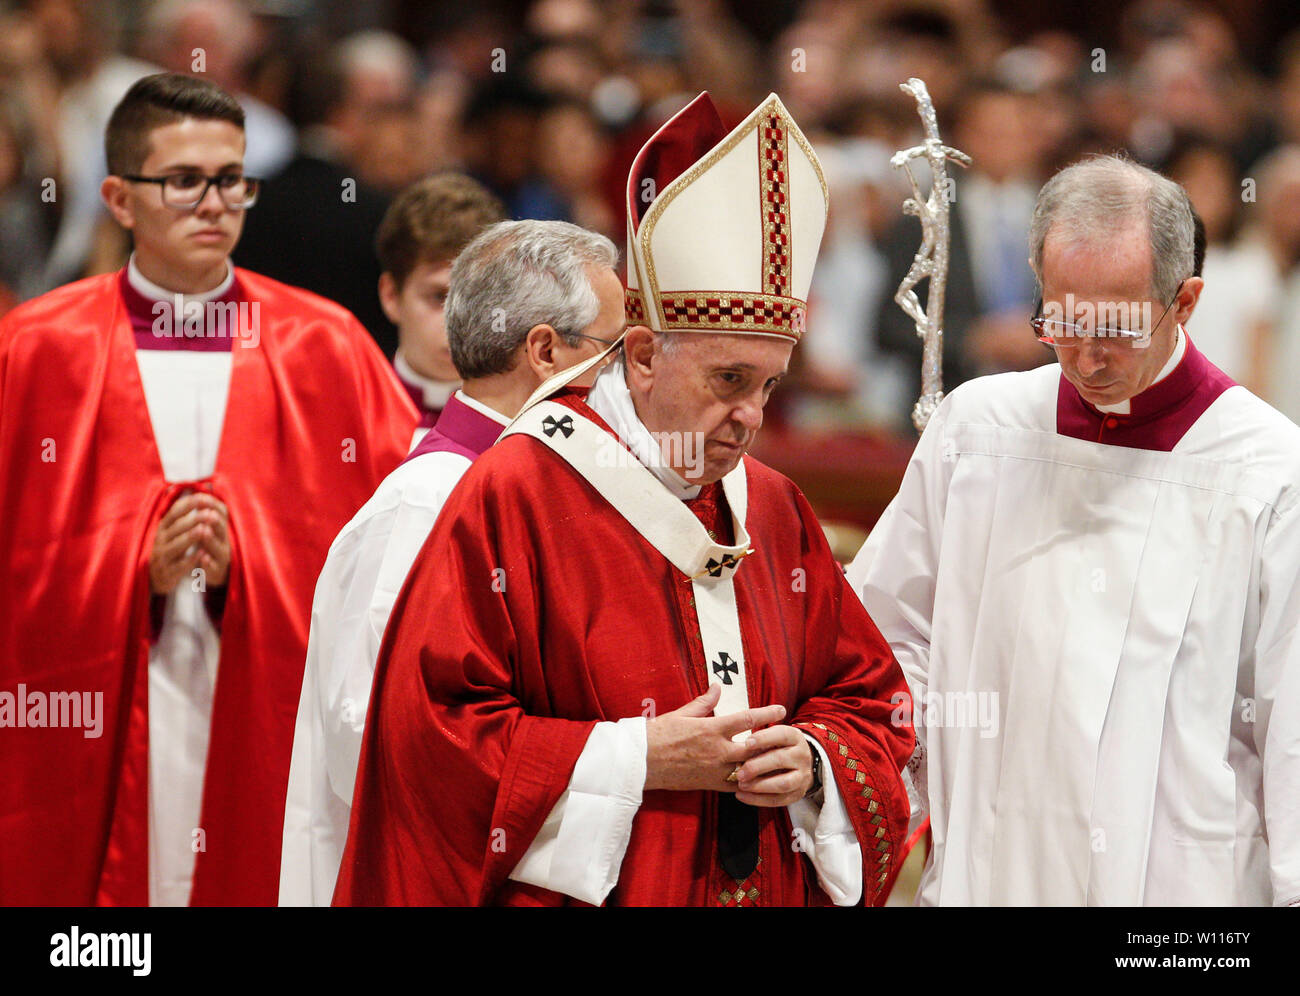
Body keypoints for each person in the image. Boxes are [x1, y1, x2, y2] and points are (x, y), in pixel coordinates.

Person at [333, 92, 914, 908]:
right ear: (640, 355)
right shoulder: (517, 493)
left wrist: (814, 758)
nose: (749, 416)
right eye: (728, 380)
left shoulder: (775, 508)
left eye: (771, 385)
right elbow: (431, 739)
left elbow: (870, 698)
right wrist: (639, 756)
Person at [0, 73, 418, 906]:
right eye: (185, 181)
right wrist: (129, 578)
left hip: (265, 714)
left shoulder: (323, 346)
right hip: (92, 725)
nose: (215, 203)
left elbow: (399, 566)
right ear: (118, 198)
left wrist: (250, 575)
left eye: (232, 179)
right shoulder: (34, 351)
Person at [848, 154, 1300, 906]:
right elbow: (890, 637)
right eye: (1062, 321)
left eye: (1118, 328)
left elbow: (1293, 716)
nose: (1087, 358)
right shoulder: (980, 429)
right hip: (988, 874)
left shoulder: (1267, 470)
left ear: (1183, 301)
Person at [280, 219, 622, 906]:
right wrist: (625, 771)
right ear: (547, 350)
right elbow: (376, 741)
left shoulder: (547, 490)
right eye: (612, 350)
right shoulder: (426, 504)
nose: (623, 378)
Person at [372, 173, 506, 434]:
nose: (459, 321)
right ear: (391, 296)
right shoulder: (353, 417)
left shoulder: (527, 423)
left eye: (474, 295)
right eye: (438, 296)